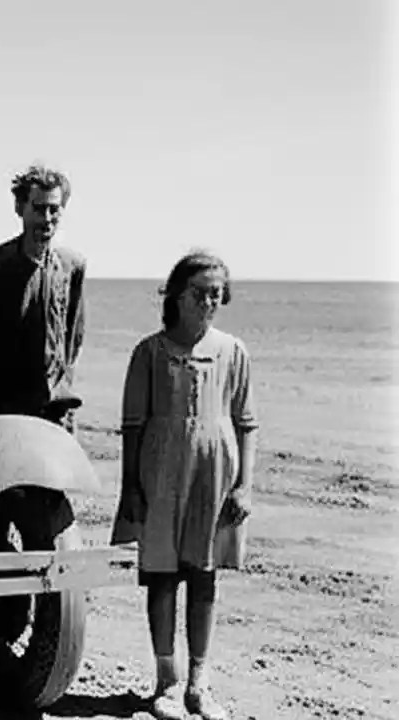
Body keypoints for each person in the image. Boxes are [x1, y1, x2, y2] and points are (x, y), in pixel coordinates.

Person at [110, 251, 259, 720]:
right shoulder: (149, 353)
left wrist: (244, 487)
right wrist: (129, 485)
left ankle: (200, 683)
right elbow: (133, 426)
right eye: (199, 293)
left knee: (204, 574)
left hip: (216, 474)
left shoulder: (233, 352)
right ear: (176, 295)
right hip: (159, 472)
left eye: (216, 294)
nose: (208, 302)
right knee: (161, 576)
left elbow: (246, 423)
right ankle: (166, 683)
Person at [0, 163, 86, 430]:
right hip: (1, 410)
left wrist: (61, 384)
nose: (46, 218)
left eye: (54, 209)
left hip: (54, 411)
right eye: (38, 209)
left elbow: (73, 336)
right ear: (20, 208)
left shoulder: (72, 266)